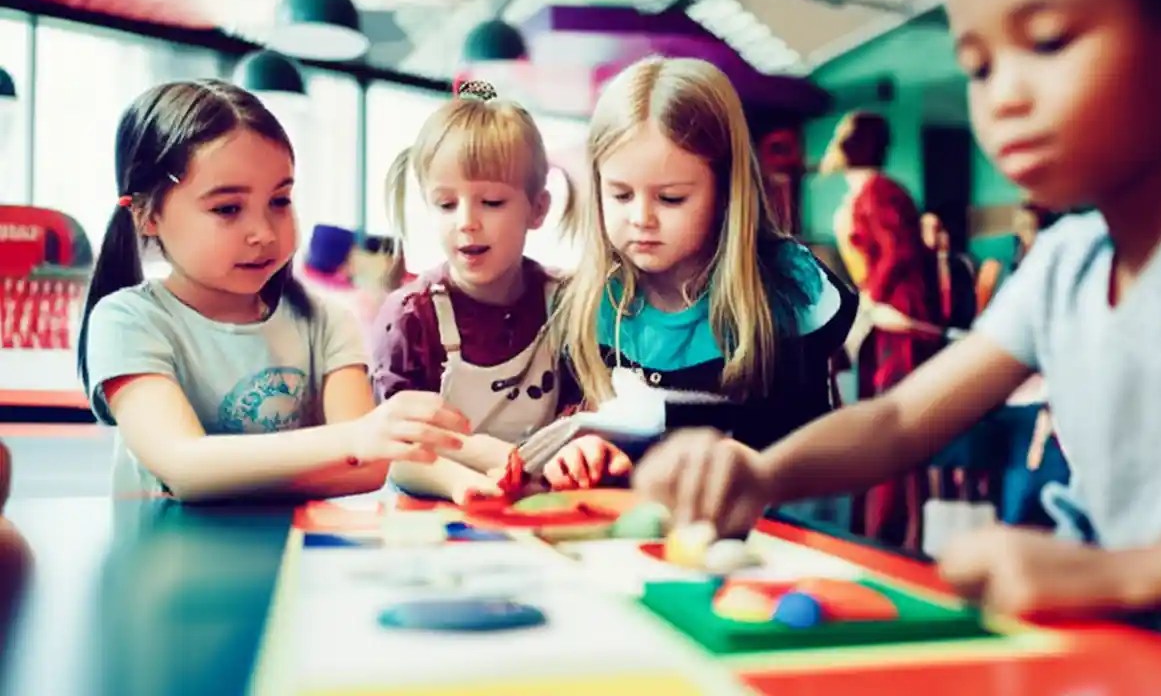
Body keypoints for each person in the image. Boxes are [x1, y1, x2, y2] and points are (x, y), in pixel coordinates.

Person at [635, 0, 1161, 664]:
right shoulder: (1068, 262)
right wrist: (762, 475)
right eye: (979, 65)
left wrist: (1118, 576)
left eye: (1048, 42)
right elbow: (898, 420)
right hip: (1126, 656)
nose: (1003, 96)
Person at [77, 80, 467, 501]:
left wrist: (355, 446)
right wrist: (352, 441)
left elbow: (367, 471)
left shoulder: (326, 322)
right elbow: (182, 466)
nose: (263, 233)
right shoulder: (127, 320)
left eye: (280, 200)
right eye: (227, 209)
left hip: (298, 557)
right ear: (145, 213)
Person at [543, 57, 857, 490]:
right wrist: (577, 453)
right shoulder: (586, 303)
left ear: (727, 190)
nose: (641, 218)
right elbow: (571, 425)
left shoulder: (787, 289)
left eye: (670, 198)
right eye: (619, 194)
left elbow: (815, 447)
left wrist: (753, 464)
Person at [372, 80, 578, 503]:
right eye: (447, 204)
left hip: (541, 505)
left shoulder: (569, 304)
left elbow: (582, 425)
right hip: (437, 509)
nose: (466, 221)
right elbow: (397, 451)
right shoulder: (411, 318)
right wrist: (467, 481)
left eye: (492, 202)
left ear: (537, 209)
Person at [822, 111, 943, 548]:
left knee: (894, 425)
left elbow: (898, 251)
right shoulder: (867, 193)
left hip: (899, 326)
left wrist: (870, 298)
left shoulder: (880, 193)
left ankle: (892, 534)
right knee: (878, 421)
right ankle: (875, 529)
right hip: (881, 321)